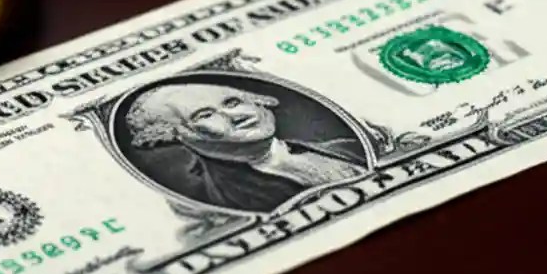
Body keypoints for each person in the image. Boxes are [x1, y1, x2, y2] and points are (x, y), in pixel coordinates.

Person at [124, 82, 367, 212]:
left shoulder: (348, 148)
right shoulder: (216, 201)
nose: (236, 115)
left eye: (232, 102)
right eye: (205, 115)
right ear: (176, 134)